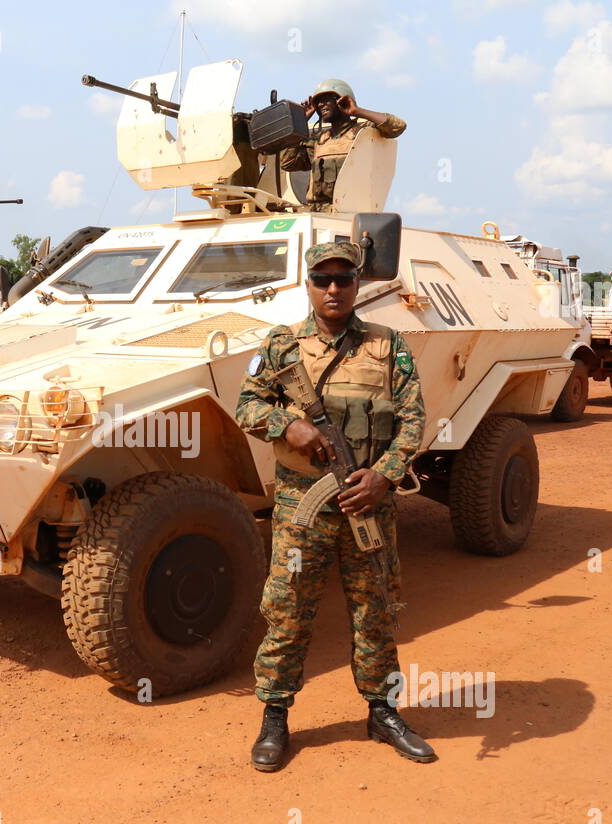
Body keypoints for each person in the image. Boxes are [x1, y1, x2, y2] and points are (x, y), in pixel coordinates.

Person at [234, 240, 434, 772]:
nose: (333, 289)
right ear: (307, 283)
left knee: (376, 612)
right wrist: (288, 424)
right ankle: (274, 715)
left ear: (358, 284)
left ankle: (382, 711)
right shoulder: (281, 344)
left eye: (343, 279)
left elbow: (415, 421)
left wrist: (385, 476)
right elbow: (246, 404)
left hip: (368, 504)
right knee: (287, 611)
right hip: (303, 506)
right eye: (322, 279)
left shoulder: (389, 345)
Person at [279, 79, 406, 212]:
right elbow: (288, 163)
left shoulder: (363, 132)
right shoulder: (318, 140)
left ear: (344, 101)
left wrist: (357, 111)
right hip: (317, 213)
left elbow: (398, 127)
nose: (321, 104)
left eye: (327, 99)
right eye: (318, 102)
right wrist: (300, 121)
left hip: (349, 213)